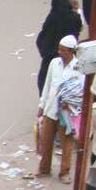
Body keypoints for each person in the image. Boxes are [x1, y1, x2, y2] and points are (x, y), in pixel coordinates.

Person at [35, 35, 79, 179]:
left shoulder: (78, 68)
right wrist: (42, 105)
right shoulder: (54, 63)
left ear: (71, 51)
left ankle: (64, 172)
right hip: (50, 110)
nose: (59, 52)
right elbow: (47, 86)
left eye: (63, 50)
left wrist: (70, 103)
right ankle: (44, 169)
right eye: (59, 49)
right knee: (45, 141)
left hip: (66, 113)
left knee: (66, 144)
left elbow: (80, 91)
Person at [35, 0, 82, 91]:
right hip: (68, 57)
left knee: (46, 84)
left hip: (48, 59)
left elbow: (40, 39)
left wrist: (46, 53)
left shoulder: (52, 17)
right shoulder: (75, 18)